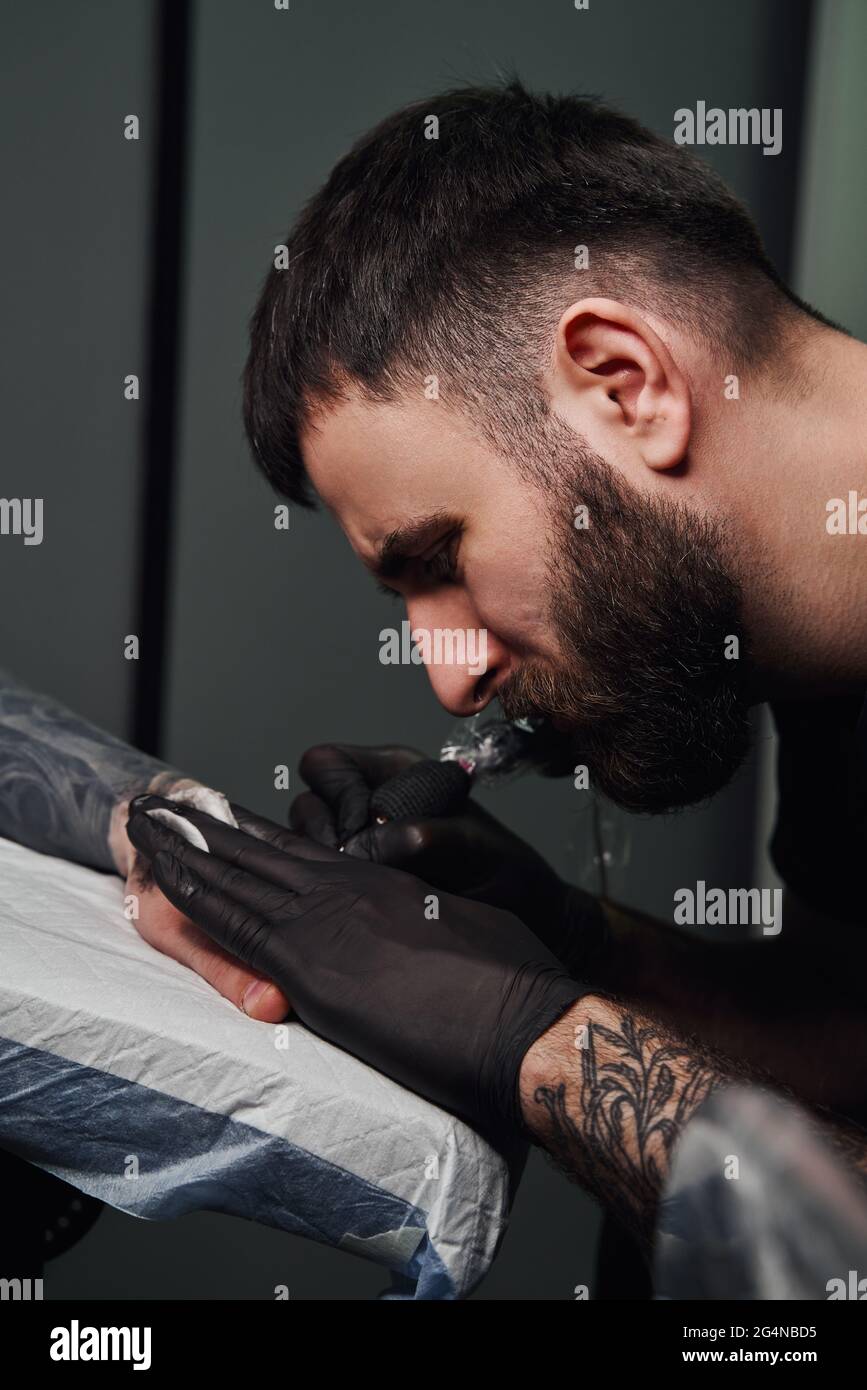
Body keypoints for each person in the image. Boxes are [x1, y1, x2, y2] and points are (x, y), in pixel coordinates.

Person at [2, 81, 865, 1276]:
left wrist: (533, 1036)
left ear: (624, 382)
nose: (451, 682)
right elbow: (850, 1028)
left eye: (442, 558)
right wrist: (566, 937)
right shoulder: (817, 663)